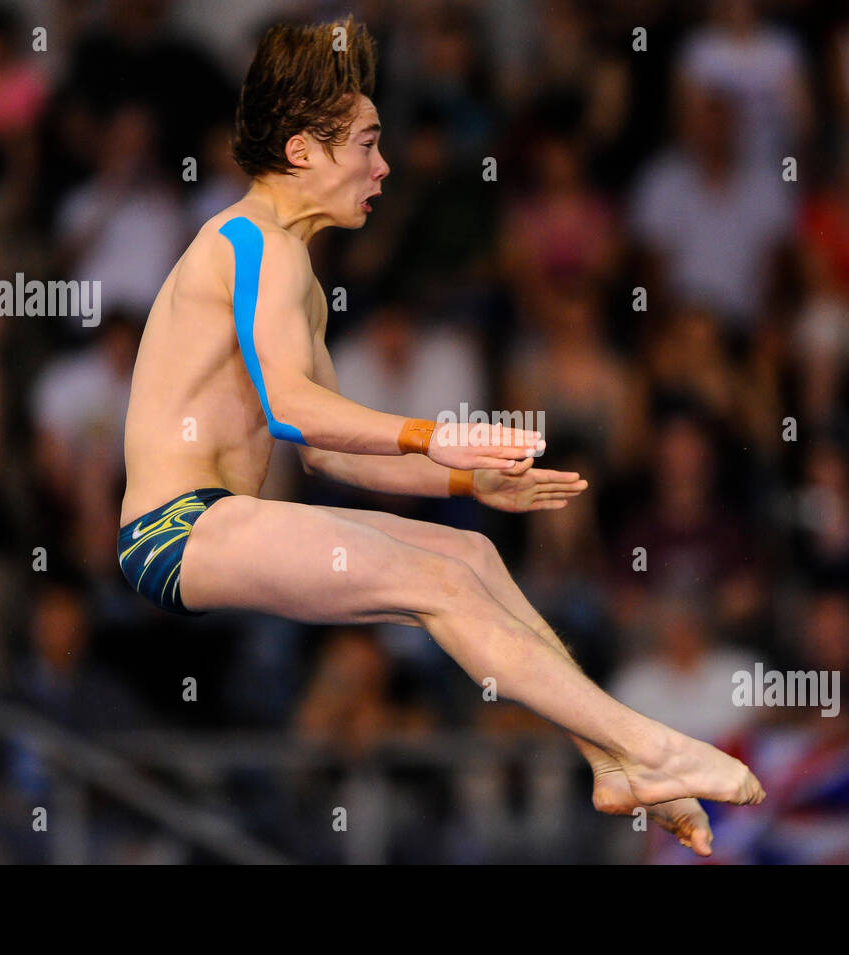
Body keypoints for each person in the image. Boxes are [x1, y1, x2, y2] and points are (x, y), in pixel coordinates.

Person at [116, 16, 764, 856]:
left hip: (213, 518)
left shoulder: (291, 271)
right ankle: (649, 742)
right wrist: (434, 436)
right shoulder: (251, 245)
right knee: (440, 583)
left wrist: (467, 483)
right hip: (177, 525)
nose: (384, 166)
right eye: (367, 143)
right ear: (305, 150)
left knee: (475, 560)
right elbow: (290, 409)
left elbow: (328, 451)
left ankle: (607, 757)